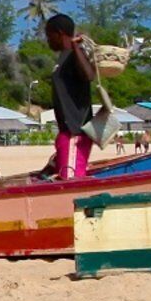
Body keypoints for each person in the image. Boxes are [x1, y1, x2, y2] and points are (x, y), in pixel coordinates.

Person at [41, 10, 103, 180]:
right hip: (67, 133)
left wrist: (76, 47)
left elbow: (89, 75)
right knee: (59, 175)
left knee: (70, 180)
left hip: (76, 132)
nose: (48, 40)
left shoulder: (75, 54)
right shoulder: (63, 58)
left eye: (49, 36)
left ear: (60, 34)